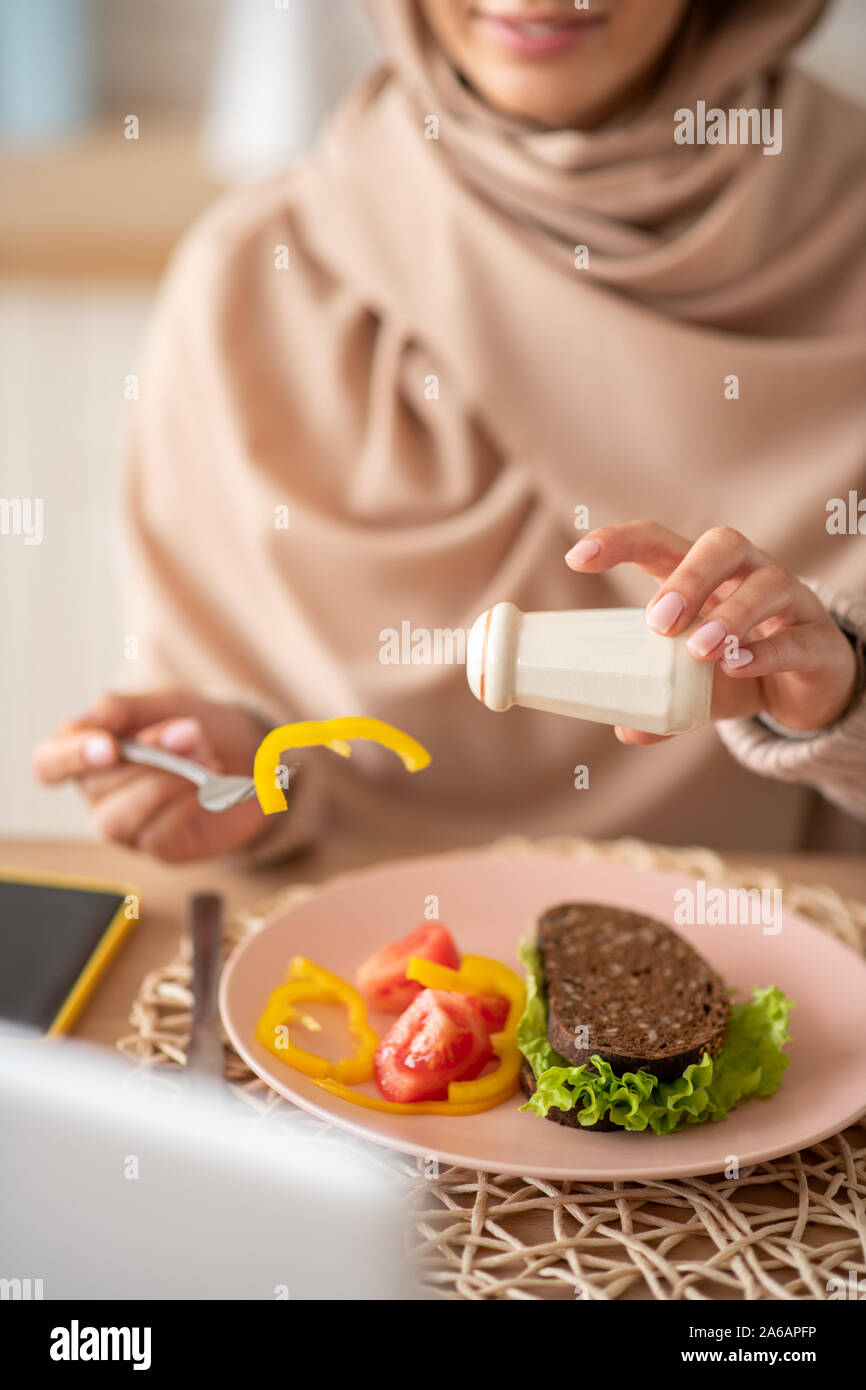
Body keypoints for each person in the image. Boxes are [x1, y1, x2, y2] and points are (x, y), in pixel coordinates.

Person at [32, 0, 866, 865]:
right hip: (356, 980)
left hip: (796, 976)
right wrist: (232, 777)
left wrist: (843, 706)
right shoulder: (255, 284)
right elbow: (229, 761)